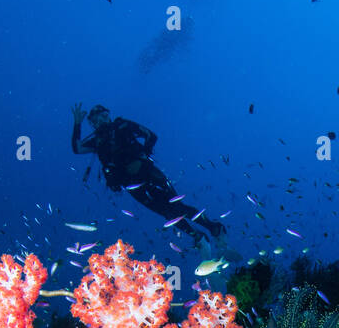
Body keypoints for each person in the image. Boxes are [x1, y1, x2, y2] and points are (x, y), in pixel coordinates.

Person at [72, 103, 225, 244]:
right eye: (95, 121)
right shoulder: (98, 142)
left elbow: (151, 136)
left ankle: (214, 228)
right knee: (166, 213)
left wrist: (141, 158)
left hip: (149, 173)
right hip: (130, 184)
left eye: (103, 116)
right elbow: (77, 149)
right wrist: (77, 123)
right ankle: (197, 238)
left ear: (109, 115)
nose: (100, 122)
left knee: (177, 206)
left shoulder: (123, 126)